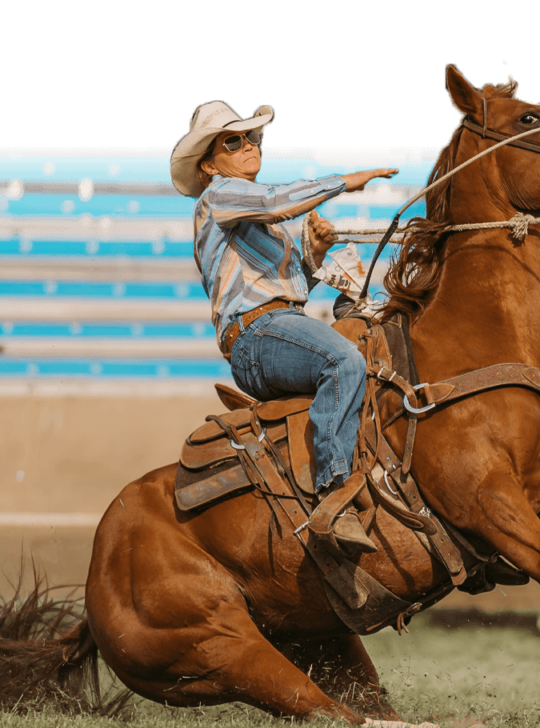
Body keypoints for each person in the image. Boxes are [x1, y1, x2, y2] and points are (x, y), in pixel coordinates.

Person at [171, 100, 399, 554]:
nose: (248, 147)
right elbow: (278, 203)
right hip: (257, 336)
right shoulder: (219, 196)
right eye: (232, 142)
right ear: (210, 164)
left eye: (252, 138)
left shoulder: (260, 224)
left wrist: (312, 255)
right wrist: (343, 182)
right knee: (344, 359)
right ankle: (335, 491)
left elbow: (290, 286)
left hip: (276, 326)